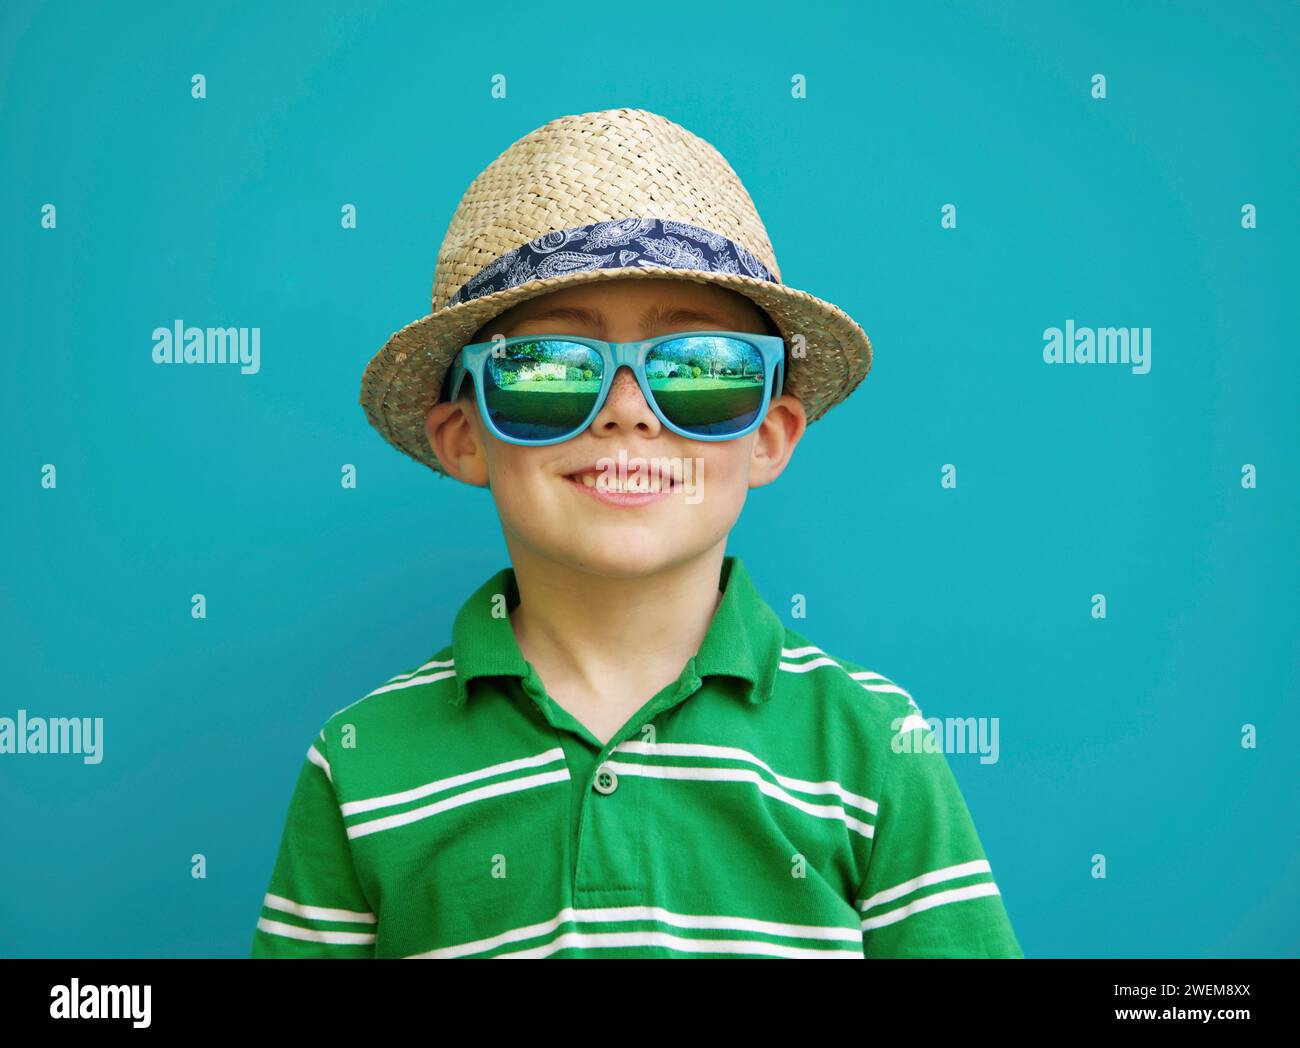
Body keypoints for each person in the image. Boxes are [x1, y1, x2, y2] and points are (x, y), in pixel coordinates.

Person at [251, 108, 1023, 958]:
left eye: (700, 368)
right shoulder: (361, 765)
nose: (627, 411)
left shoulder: (871, 745)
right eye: (546, 368)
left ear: (769, 435)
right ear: (464, 437)